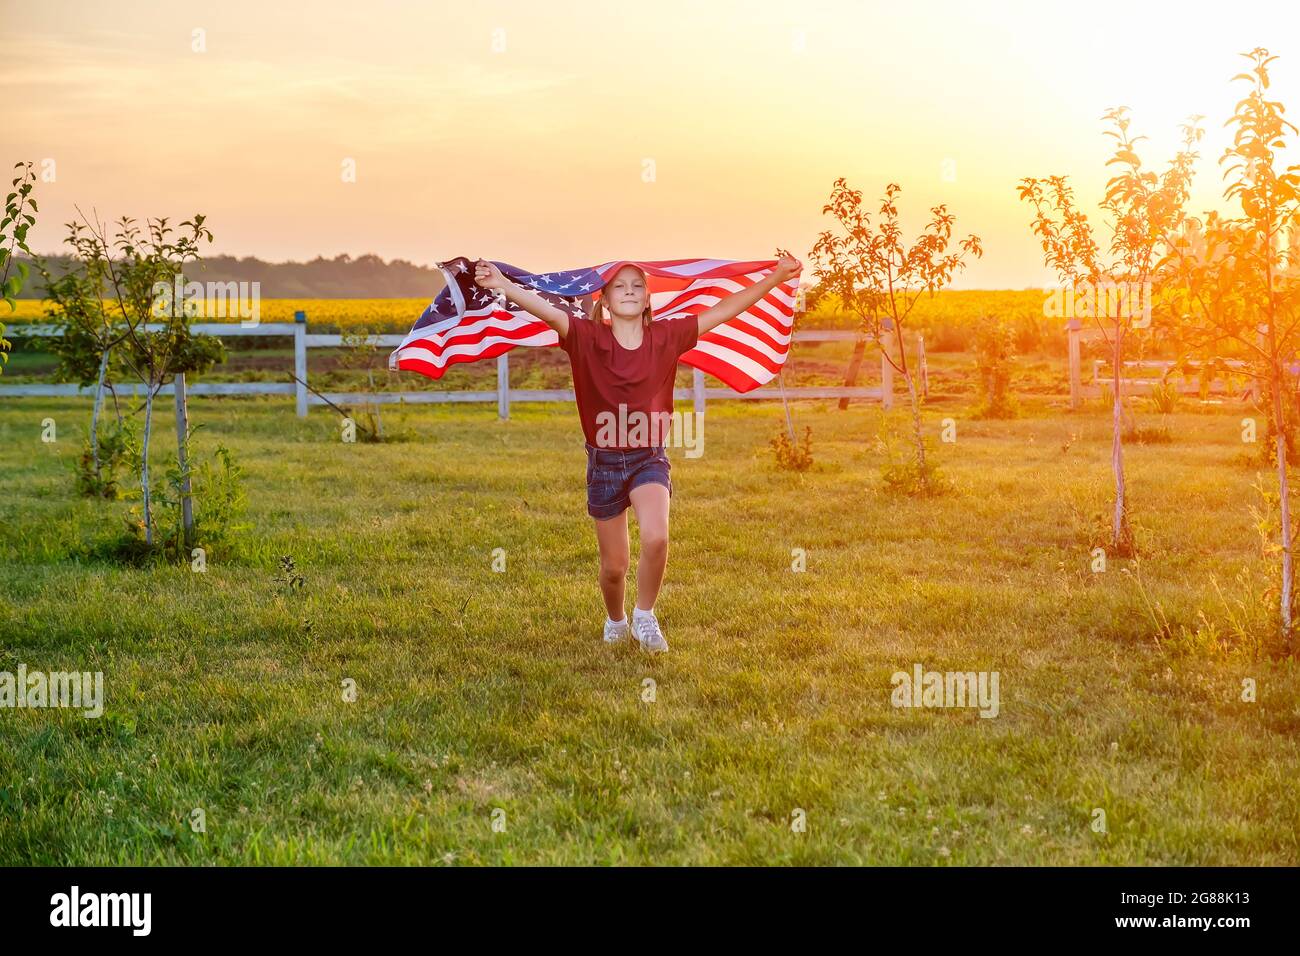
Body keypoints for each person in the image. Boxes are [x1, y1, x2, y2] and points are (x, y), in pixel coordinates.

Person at [473, 254, 802, 652]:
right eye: (619, 286)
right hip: (604, 462)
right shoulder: (585, 337)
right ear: (606, 300)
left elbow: (723, 311)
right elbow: (546, 311)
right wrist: (504, 286)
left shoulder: (668, 336)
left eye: (637, 286)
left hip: (649, 456)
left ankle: (645, 616)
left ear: (647, 298)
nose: (629, 291)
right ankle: (616, 619)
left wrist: (774, 278)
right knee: (614, 569)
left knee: (656, 537)